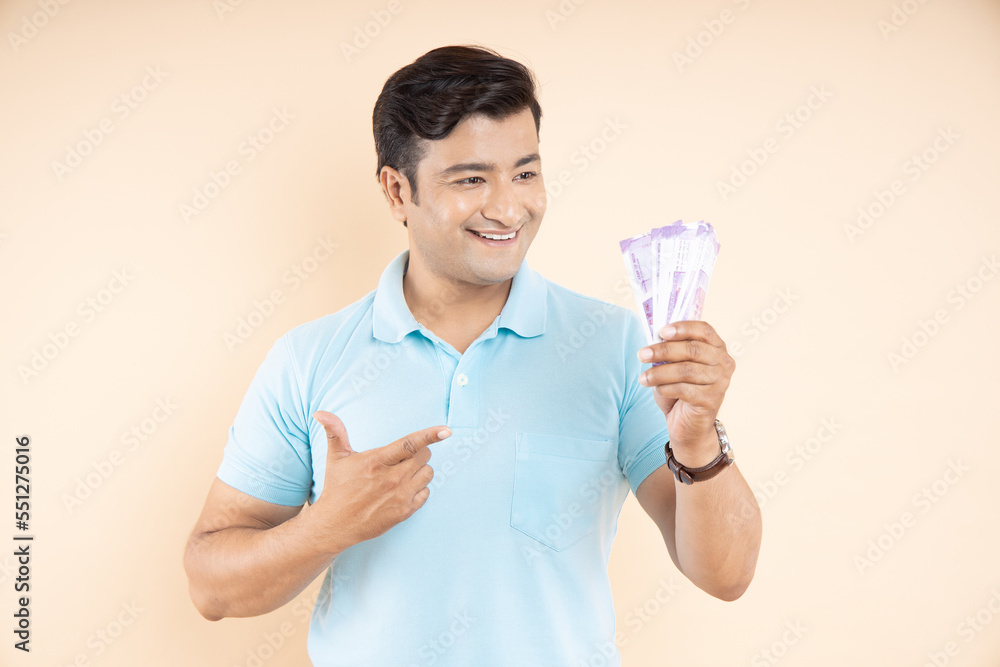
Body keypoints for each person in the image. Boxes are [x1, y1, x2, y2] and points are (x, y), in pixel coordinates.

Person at [183, 44, 762, 666]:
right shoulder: (308, 358)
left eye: (525, 172)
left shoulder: (618, 346)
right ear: (396, 190)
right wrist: (327, 526)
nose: (508, 207)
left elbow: (725, 575)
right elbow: (211, 586)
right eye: (470, 179)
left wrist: (698, 439)